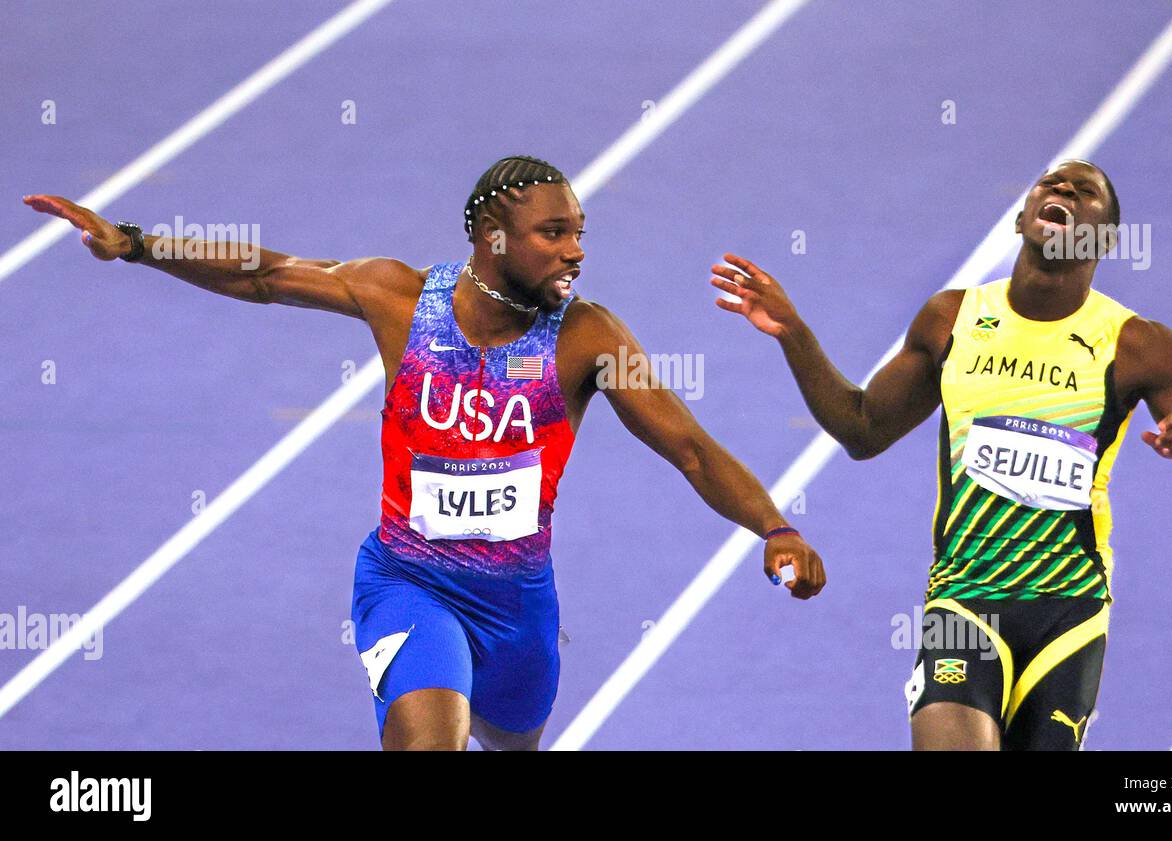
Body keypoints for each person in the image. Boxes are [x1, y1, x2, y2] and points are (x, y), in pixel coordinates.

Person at [24, 154, 826, 751]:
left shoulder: (588, 337)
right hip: (410, 582)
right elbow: (265, 275)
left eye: (580, 231)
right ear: (492, 236)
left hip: (520, 608)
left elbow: (688, 448)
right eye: (553, 233)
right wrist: (131, 241)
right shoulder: (399, 298)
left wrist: (774, 527)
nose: (575, 250)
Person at [708, 159, 1172, 750]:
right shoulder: (952, 319)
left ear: (1105, 238)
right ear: (1022, 218)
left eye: (1086, 191)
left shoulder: (1140, 345)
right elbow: (863, 428)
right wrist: (793, 331)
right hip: (964, 596)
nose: (1064, 189)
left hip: (1068, 610)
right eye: (1051, 183)